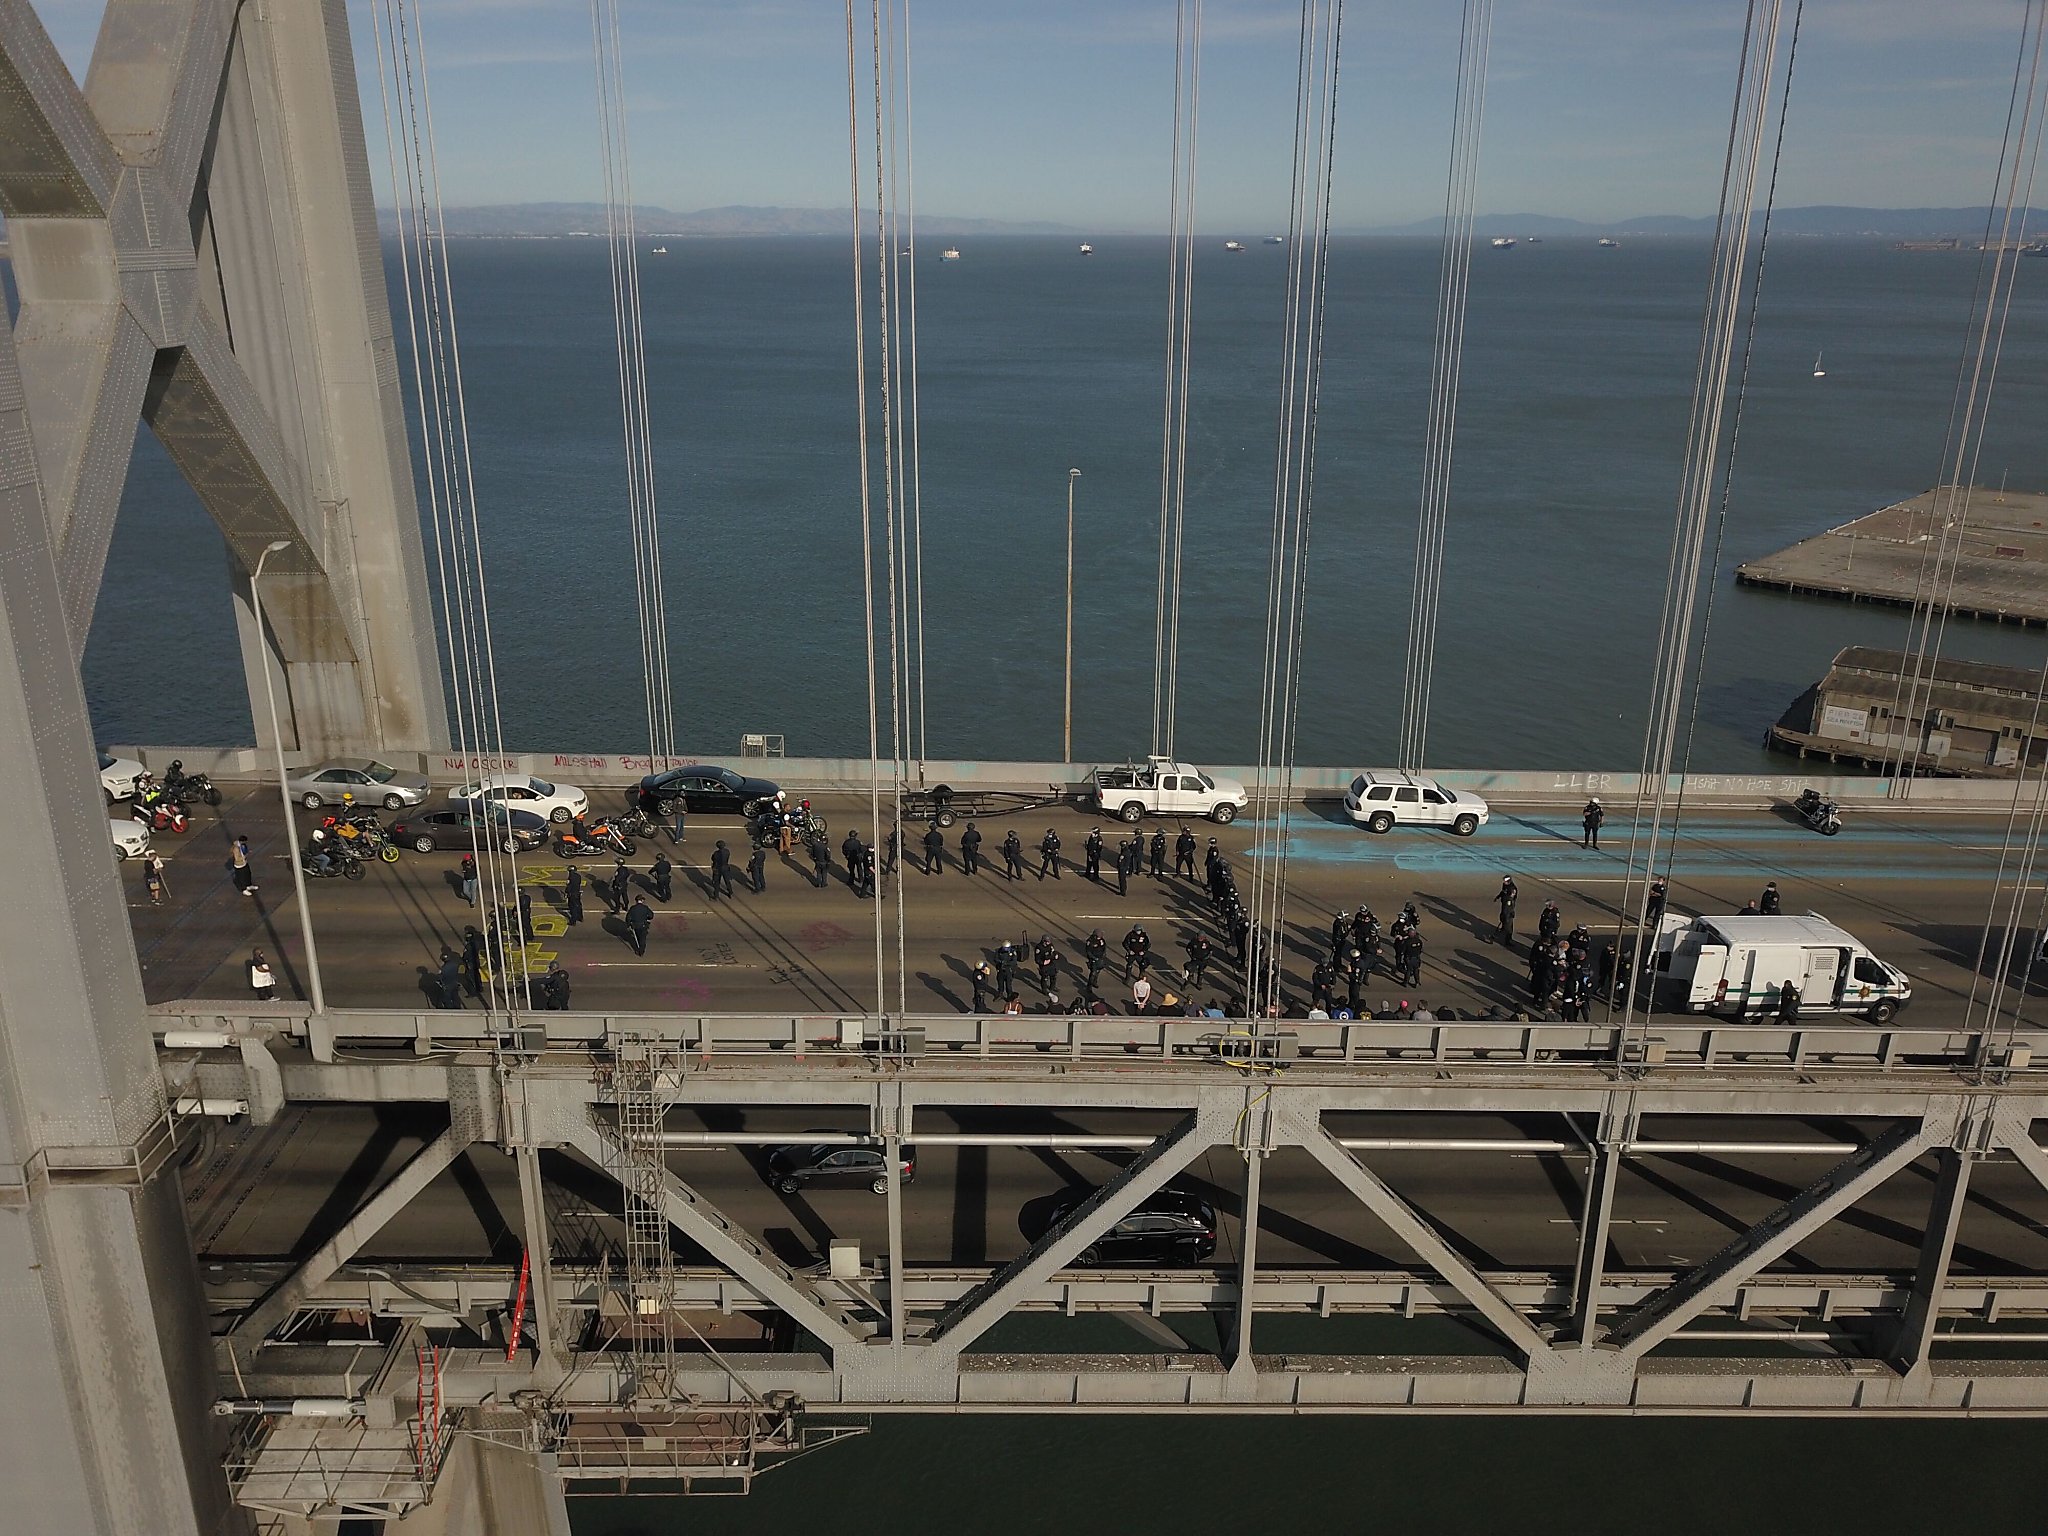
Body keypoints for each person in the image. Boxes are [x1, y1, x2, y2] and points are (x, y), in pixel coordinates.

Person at [1083, 929, 1108, 993]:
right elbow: (1088, 951)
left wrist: (1103, 955)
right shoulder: (1090, 941)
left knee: (1098, 971)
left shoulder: (1102, 940)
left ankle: (1095, 982)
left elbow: (1104, 948)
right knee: (1093, 973)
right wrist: (1093, 958)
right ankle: (1089, 986)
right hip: (1093, 959)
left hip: (1100, 958)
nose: (1101, 936)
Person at [1495, 877, 1518, 947]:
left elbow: (1511, 902)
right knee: (1502, 917)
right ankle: (1503, 928)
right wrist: (1498, 897)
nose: (1503, 882)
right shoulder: (1505, 885)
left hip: (1508, 907)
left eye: (1505, 881)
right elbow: (1503, 892)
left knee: (1509, 927)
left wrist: (1508, 915)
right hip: (1504, 904)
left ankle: (1508, 940)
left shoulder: (1512, 889)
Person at [462, 927, 484, 999]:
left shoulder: (468, 946)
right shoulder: (474, 943)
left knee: (470, 978)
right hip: (475, 961)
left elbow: (466, 956)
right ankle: (479, 987)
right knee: (476, 974)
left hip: (470, 963)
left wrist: (463, 960)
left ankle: (473, 992)